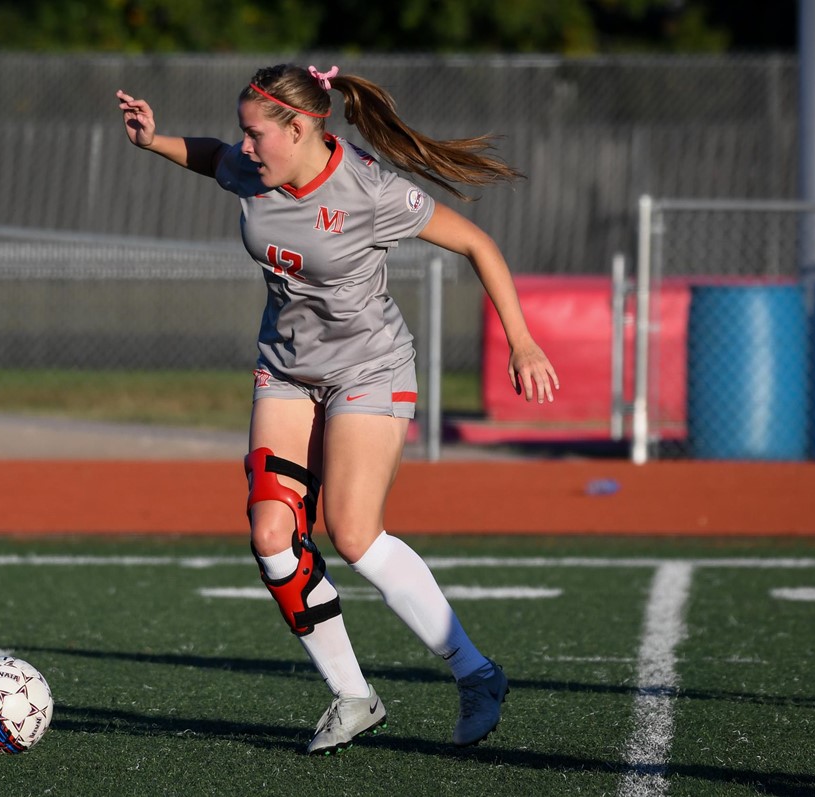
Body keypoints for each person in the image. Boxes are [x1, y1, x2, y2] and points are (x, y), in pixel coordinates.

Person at [116, 63, 559, 756]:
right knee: (271, 534)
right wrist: (153, 141)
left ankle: (476, 672)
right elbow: (211, 158)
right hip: (287, 369)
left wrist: (523, 342)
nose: (245, 146)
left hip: (368, 368)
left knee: (354, 535)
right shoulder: (253, 169)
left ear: (301, 128)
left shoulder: (370, 190)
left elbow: (477, 243)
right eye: (244, 134)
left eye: (257, 134)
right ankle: (354, 695)